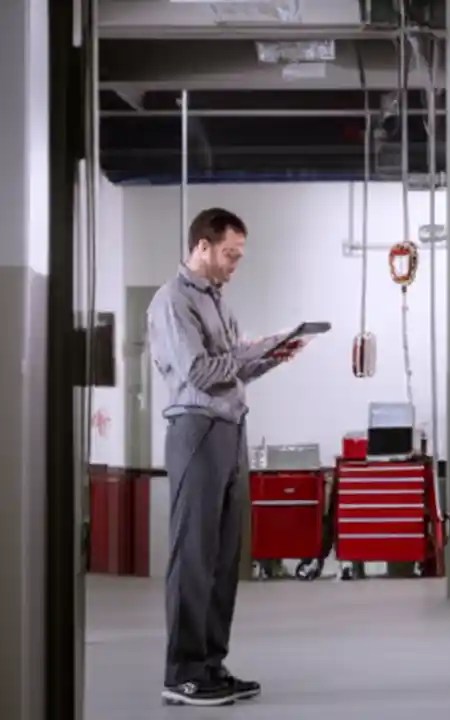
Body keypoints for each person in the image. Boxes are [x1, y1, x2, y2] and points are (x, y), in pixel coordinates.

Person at [148, 207, 308, 707]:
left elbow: (232, 371)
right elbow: (198, 371)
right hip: (195, 429)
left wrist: (271, 356)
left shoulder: (220, 303)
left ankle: (211, 667)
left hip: (230, 428)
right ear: (202, 246)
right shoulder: (173, 301)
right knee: (192, 555)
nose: (235, 264)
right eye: (230, 255)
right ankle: (182, 673)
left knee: (222, 558)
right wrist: (248, 352)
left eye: (239, 255)